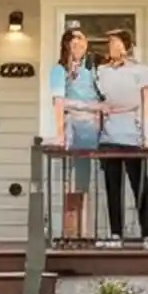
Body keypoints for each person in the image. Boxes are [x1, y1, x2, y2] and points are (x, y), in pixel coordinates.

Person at [96, 29, 148, 249]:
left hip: (134, 136)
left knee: (140, 187)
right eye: (109, 43)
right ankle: (115, 233)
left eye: (115, 43)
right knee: (113, 188)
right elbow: (98, 101)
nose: (111, 47)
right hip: (109, 136)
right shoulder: (101, 71)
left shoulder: (141, 71)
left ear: (126, 45)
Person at [49, 28, 102, 240]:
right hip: (74, 128)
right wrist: (60, 134)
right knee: (72, 184)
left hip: (96, 131)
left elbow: (103, 97)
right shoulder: (59, 70)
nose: (79, 43)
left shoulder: (94, 68)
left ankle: (89, 233)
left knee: (90, 183)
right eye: (74, 39)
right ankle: (72, 234)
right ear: (67, 45)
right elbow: (58, 102)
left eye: (82, 38)